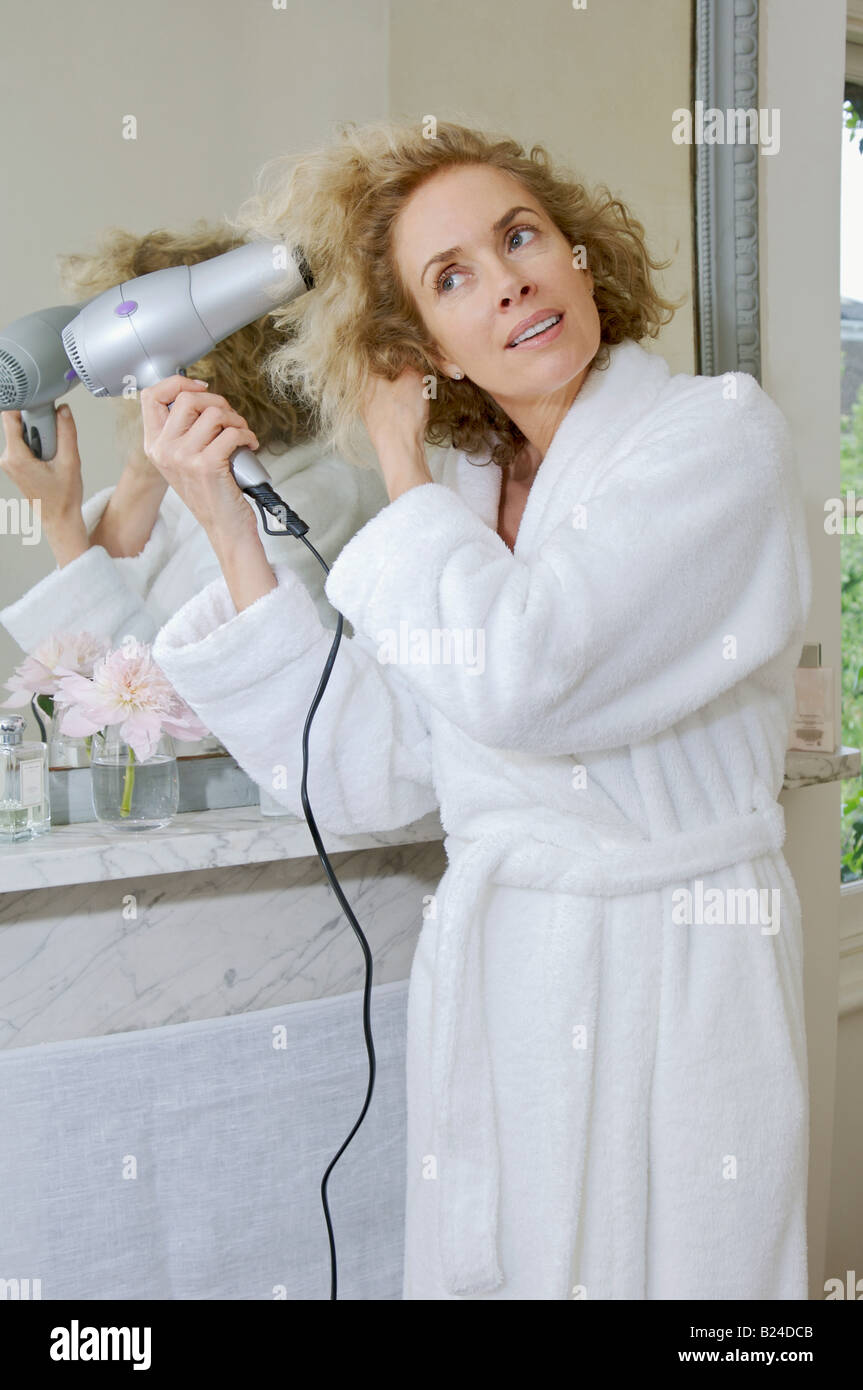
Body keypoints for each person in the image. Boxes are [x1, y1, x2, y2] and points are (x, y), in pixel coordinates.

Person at [141, 120, 811, 1300]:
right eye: (450, 277)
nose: (506, 281)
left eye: (519, 237)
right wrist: (223, 525)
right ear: (418, 345)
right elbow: (372, 773)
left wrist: (401, 475)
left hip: (675, 962)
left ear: (580, 255)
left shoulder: (714, 437)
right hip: (515, 980)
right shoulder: (460, 497)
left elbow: (527, 674)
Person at [0, 219, 390, 664]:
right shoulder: (184, 479)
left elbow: (165, 701)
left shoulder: (297, 499)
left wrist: (61, 524)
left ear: (206, 364)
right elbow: (118, 580)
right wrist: (141, 472)